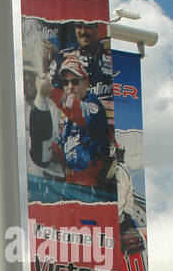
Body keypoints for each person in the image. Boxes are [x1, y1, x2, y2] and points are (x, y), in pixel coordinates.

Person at [28, 53, 114, 202]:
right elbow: (62, 154)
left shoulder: (94, 106)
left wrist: (52, 92)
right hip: (71, 192)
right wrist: (41, 144)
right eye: (65, 83)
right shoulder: (67, 121)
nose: (70, 87)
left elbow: (78, 112)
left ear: (86, 84)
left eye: (75, 82)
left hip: (95, 193)